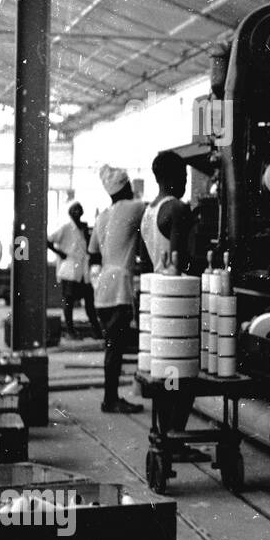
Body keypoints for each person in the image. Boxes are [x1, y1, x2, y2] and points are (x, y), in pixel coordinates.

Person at [141, 150, 197, 432]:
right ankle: (176, 434)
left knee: (165, 370)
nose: (186, 182)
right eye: (184, 176)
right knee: (184, 371)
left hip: (156, 302)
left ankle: (165, 431)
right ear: (173, 177)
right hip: (177, 302)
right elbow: (179, 263)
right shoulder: (176, 208)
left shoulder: (148, 211)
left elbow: (147, 264)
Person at [89, 166, 146, 413]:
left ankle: (110, 397)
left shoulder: (101, 217)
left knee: (112, 346)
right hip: (120, 288)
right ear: (126, 187)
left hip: (102, 288)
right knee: (115, 348)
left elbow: (93, 254)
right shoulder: (136, 208)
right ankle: (110, 400)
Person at [49, 202, 100, 338]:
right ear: (70, 213)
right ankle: (70, 331)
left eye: (79, 210)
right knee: (69, 302)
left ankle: (96, 329)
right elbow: (48, 240)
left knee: (89, 301)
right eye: (75, 210)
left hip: (83, 271)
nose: (78, 213)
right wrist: (60, 253)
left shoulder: (83, 228)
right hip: (70, 271)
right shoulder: (65, 228)